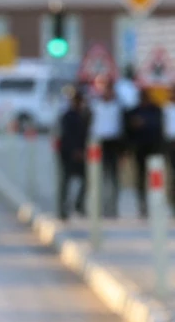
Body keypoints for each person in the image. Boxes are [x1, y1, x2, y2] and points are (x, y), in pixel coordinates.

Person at [126, 88, 166, 218]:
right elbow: (128, 131)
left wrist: (145, 123)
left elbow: (159, 127)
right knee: (140, 177)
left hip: (154, 149)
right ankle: (143, 205)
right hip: (140, 149)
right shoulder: (134, 111)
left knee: (155, 178)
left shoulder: (155, 110)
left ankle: (156, 204)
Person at [91, 77, 124, 217]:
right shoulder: (96, 106)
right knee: (99, 177)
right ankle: (101, 207)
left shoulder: (118, 107)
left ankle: (113, 207)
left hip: (114, 143)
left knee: (114, 178)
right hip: (100, 144)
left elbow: (123, 128)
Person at [56, 89, 91, 220]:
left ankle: (79, 204)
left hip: (82, 153)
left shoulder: (84, 115)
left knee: (86, 180)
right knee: (65, 182)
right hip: (68, 154)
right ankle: (63, 209)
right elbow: (66, 135)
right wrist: (74, 150)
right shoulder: (67, 116)